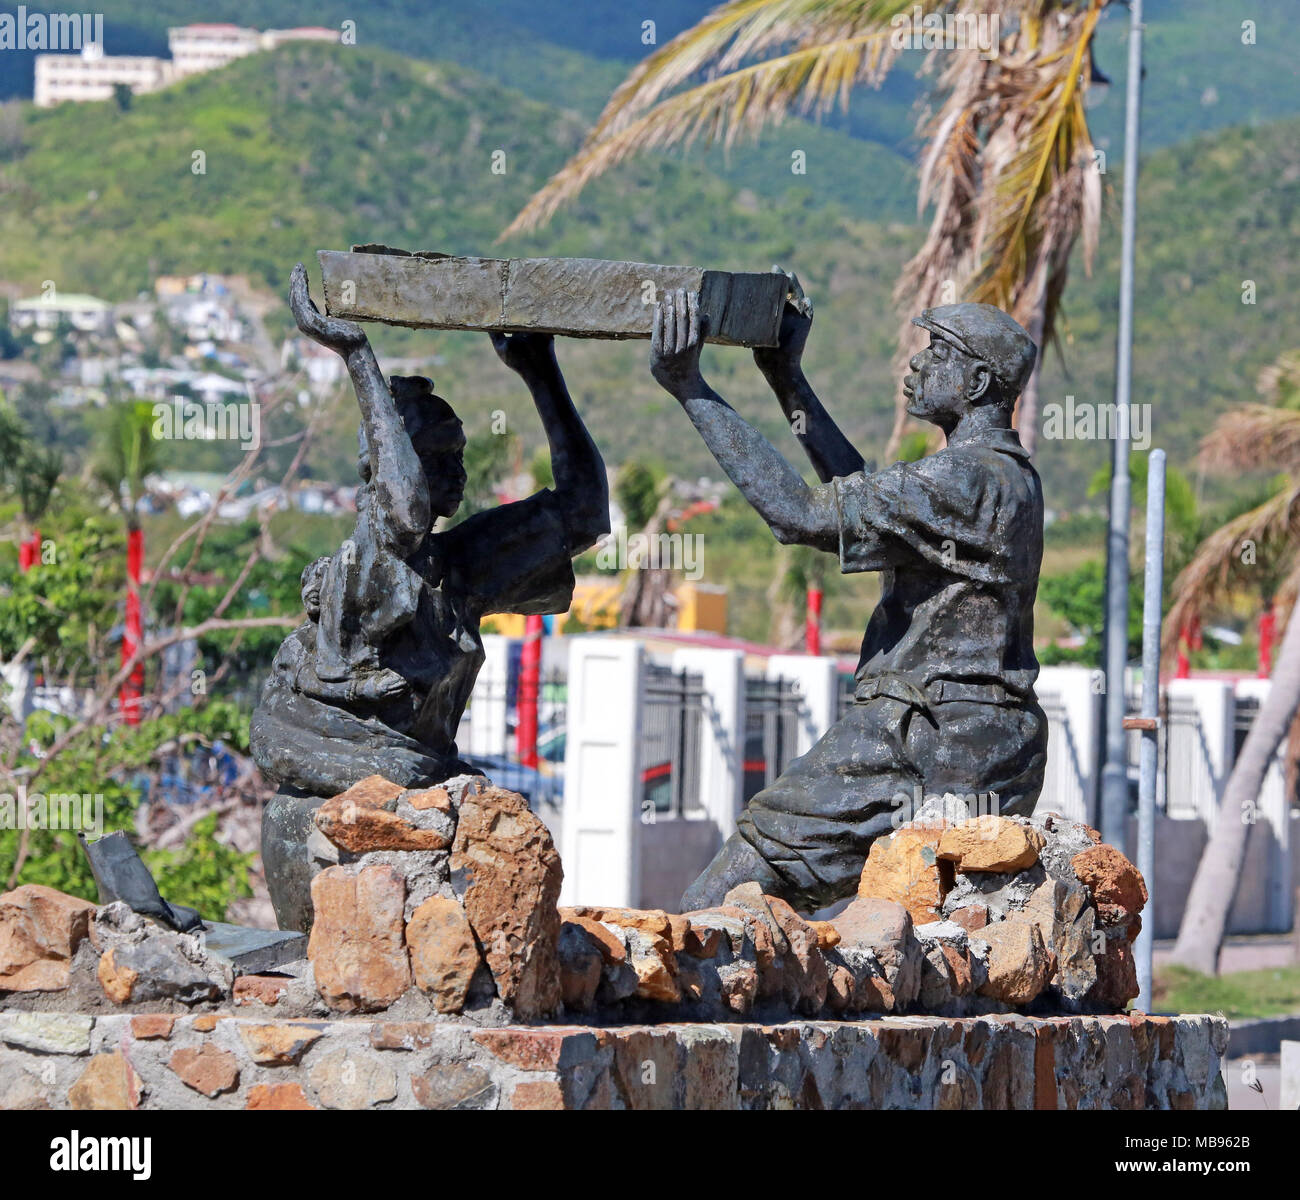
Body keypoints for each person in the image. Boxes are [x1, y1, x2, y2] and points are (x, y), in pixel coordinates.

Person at [649, 287, 1047, 913]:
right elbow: (858, 495)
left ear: (974, 383)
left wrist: (689, 388)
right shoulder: (1007, 475)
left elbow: (797, 514)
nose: (915, 366)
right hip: (984, 738)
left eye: (935, 354)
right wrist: (787, 380)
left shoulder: (964, 477)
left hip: (918, 737)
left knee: (724, 893)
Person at [252, 263, 608, 930]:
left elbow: (583, 515)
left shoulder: (461, 565)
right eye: (430, 454)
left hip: (428, 802)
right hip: (340, 830)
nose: (453, 470)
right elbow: (404, 515)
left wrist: (539, 372)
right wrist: (358, 356)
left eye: (456, 452)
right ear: (381, 464)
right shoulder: (361, 572)